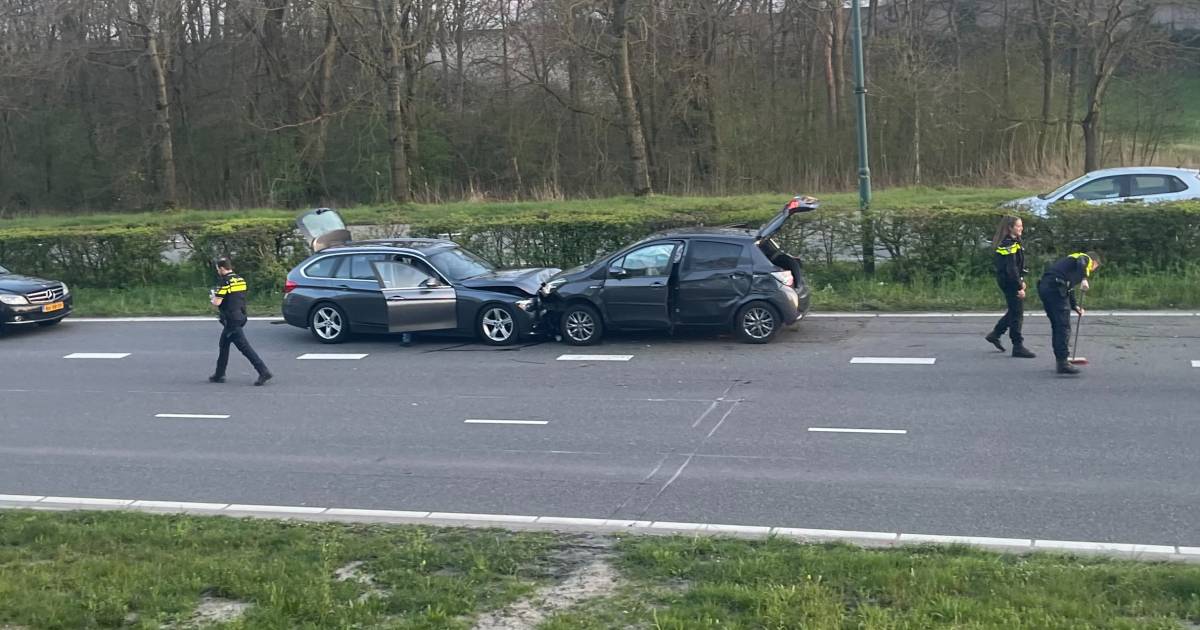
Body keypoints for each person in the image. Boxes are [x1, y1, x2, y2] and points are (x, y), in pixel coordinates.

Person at [209, 258, 272, 386]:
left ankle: (263, 371)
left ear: (222, 268)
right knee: (223, 345)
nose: (218, 271)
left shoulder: (225, 282)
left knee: (244, 348)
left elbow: (217, 302)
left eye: (218, 269)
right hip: (241, 315)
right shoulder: (240, 280)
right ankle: (219, 374)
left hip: (231, 319)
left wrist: (212, 298)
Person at [1036, 252, 1100, 375]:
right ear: (1094, 262)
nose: (1092, 270)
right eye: (1094, 267)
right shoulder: (1084, 259)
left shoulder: (1070, 265)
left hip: (1046, 287)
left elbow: (1069, 287)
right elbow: (1082, 261)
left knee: (1057, 325)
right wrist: (1084, 279)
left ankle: (1061, 359)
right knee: (1063, 326)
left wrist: (1074, 306)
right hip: (1055, 288)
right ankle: (1062, 363)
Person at [985, 216, 1035, 358]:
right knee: (1017, 314)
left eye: (1021, 225)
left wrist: (1021, 279)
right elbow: (1011, 268)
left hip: (1011, 280)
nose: (1021, 228)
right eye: (1018, 226)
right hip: (1009, 282)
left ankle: (995, 334)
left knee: (1014, 310)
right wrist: (1019, 286)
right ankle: (1017, 346)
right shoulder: (1008, 244)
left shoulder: (1014, 241)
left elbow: (1017, 266)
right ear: (1010, 228)